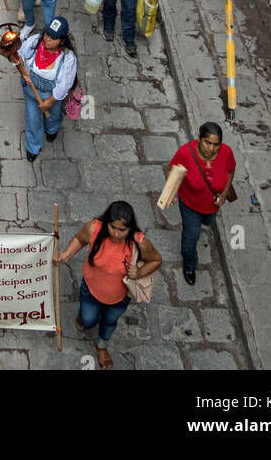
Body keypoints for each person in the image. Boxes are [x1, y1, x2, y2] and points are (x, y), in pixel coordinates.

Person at [53, 201, 162, 370]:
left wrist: (139, 273)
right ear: (107, 223)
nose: (117, 234)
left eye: (122, 230)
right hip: (90, 290)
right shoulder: (93, 228)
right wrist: (66, 254)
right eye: (113, 228)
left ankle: (102, 346)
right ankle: (83, 319)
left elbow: (156, 260)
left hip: (119, 298)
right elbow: (80, 239)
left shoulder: (139, 241)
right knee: (88, 320)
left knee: (110, 322)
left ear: (130, 228)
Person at [167, 121, 237, 286]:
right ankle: (189, 264)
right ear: (199, 138)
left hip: (212, 206)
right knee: (191, 236)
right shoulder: (185, 153)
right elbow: (171, 170)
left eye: (216, 144)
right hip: (190, 204)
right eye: (208, 142)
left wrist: (225, 192)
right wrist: (171, 192)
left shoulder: (226, 152)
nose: (211, 148)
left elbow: (231, 171)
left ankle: (205, 221)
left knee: (208, 222)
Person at [15, 18, 78, 161]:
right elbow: (20, 56)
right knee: (32, 119)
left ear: (62, 41)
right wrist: (21, 68)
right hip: (31, 91)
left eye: (53, 38)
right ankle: (33, 147)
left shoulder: (67, 58)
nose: (48, 39)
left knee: (53, 116)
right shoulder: (35, 41)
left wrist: (51, 100)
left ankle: (52, 129)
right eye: (47, 34)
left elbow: (65, 83)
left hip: (51, 95)